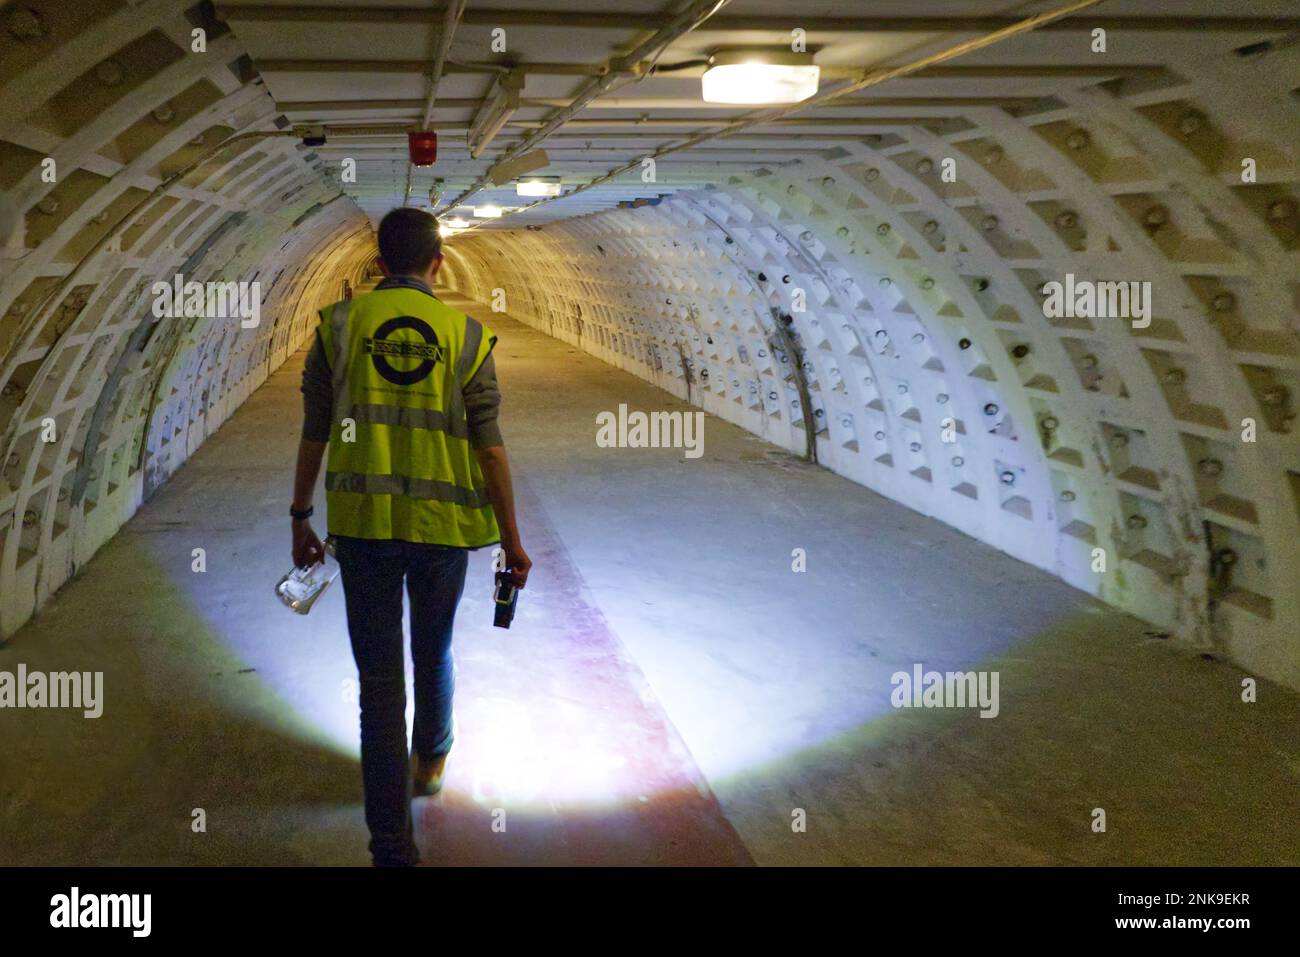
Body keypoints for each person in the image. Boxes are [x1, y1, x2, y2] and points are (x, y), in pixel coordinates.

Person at [289, 206, 531, 866]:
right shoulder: (465, 333)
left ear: (375, 260)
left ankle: (391, 849)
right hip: (443, 530)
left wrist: (299, 515)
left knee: (378, 687)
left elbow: (314, 426)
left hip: (362, 528)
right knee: (435, 650)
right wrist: (512, 539)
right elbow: (490, 447)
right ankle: (431, 762)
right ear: (439, 261)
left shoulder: (339, 326)